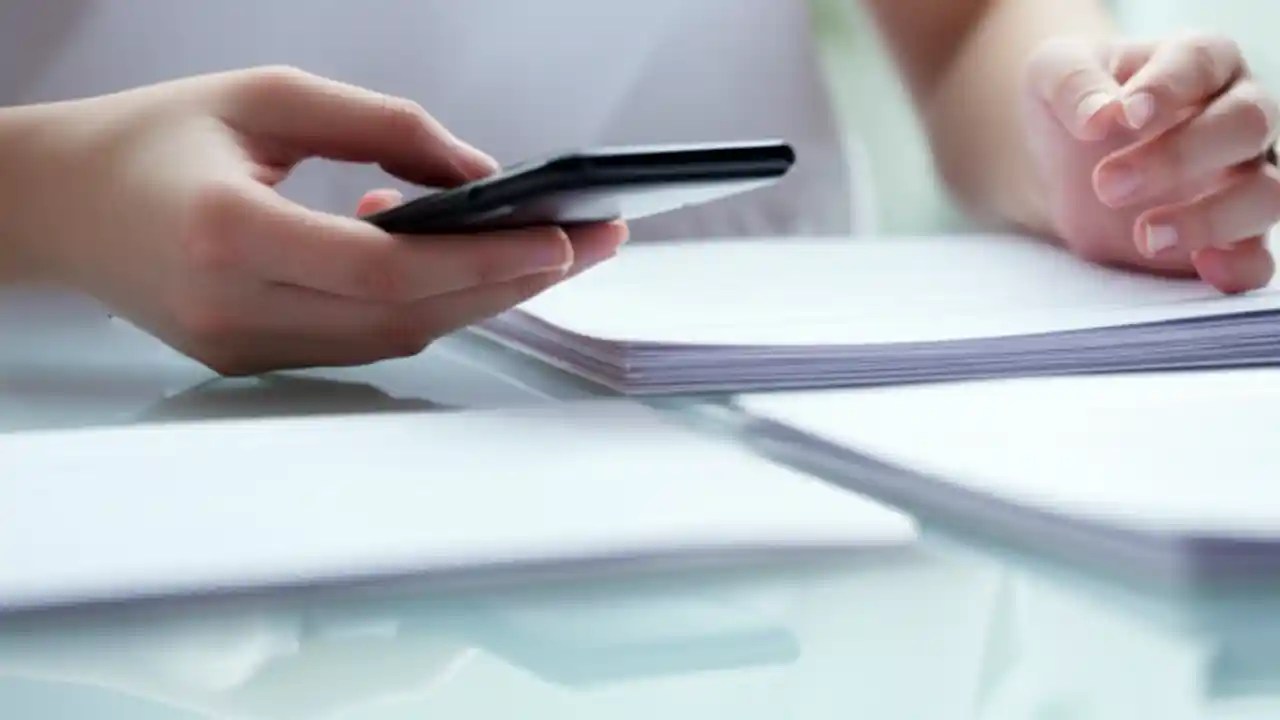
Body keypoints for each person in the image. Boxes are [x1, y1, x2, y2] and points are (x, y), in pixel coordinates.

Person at [1, 0, 1276, 375]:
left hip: (768, 409)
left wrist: (1085, 142)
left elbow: (959, 28)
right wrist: (52, 195)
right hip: (81, 409)